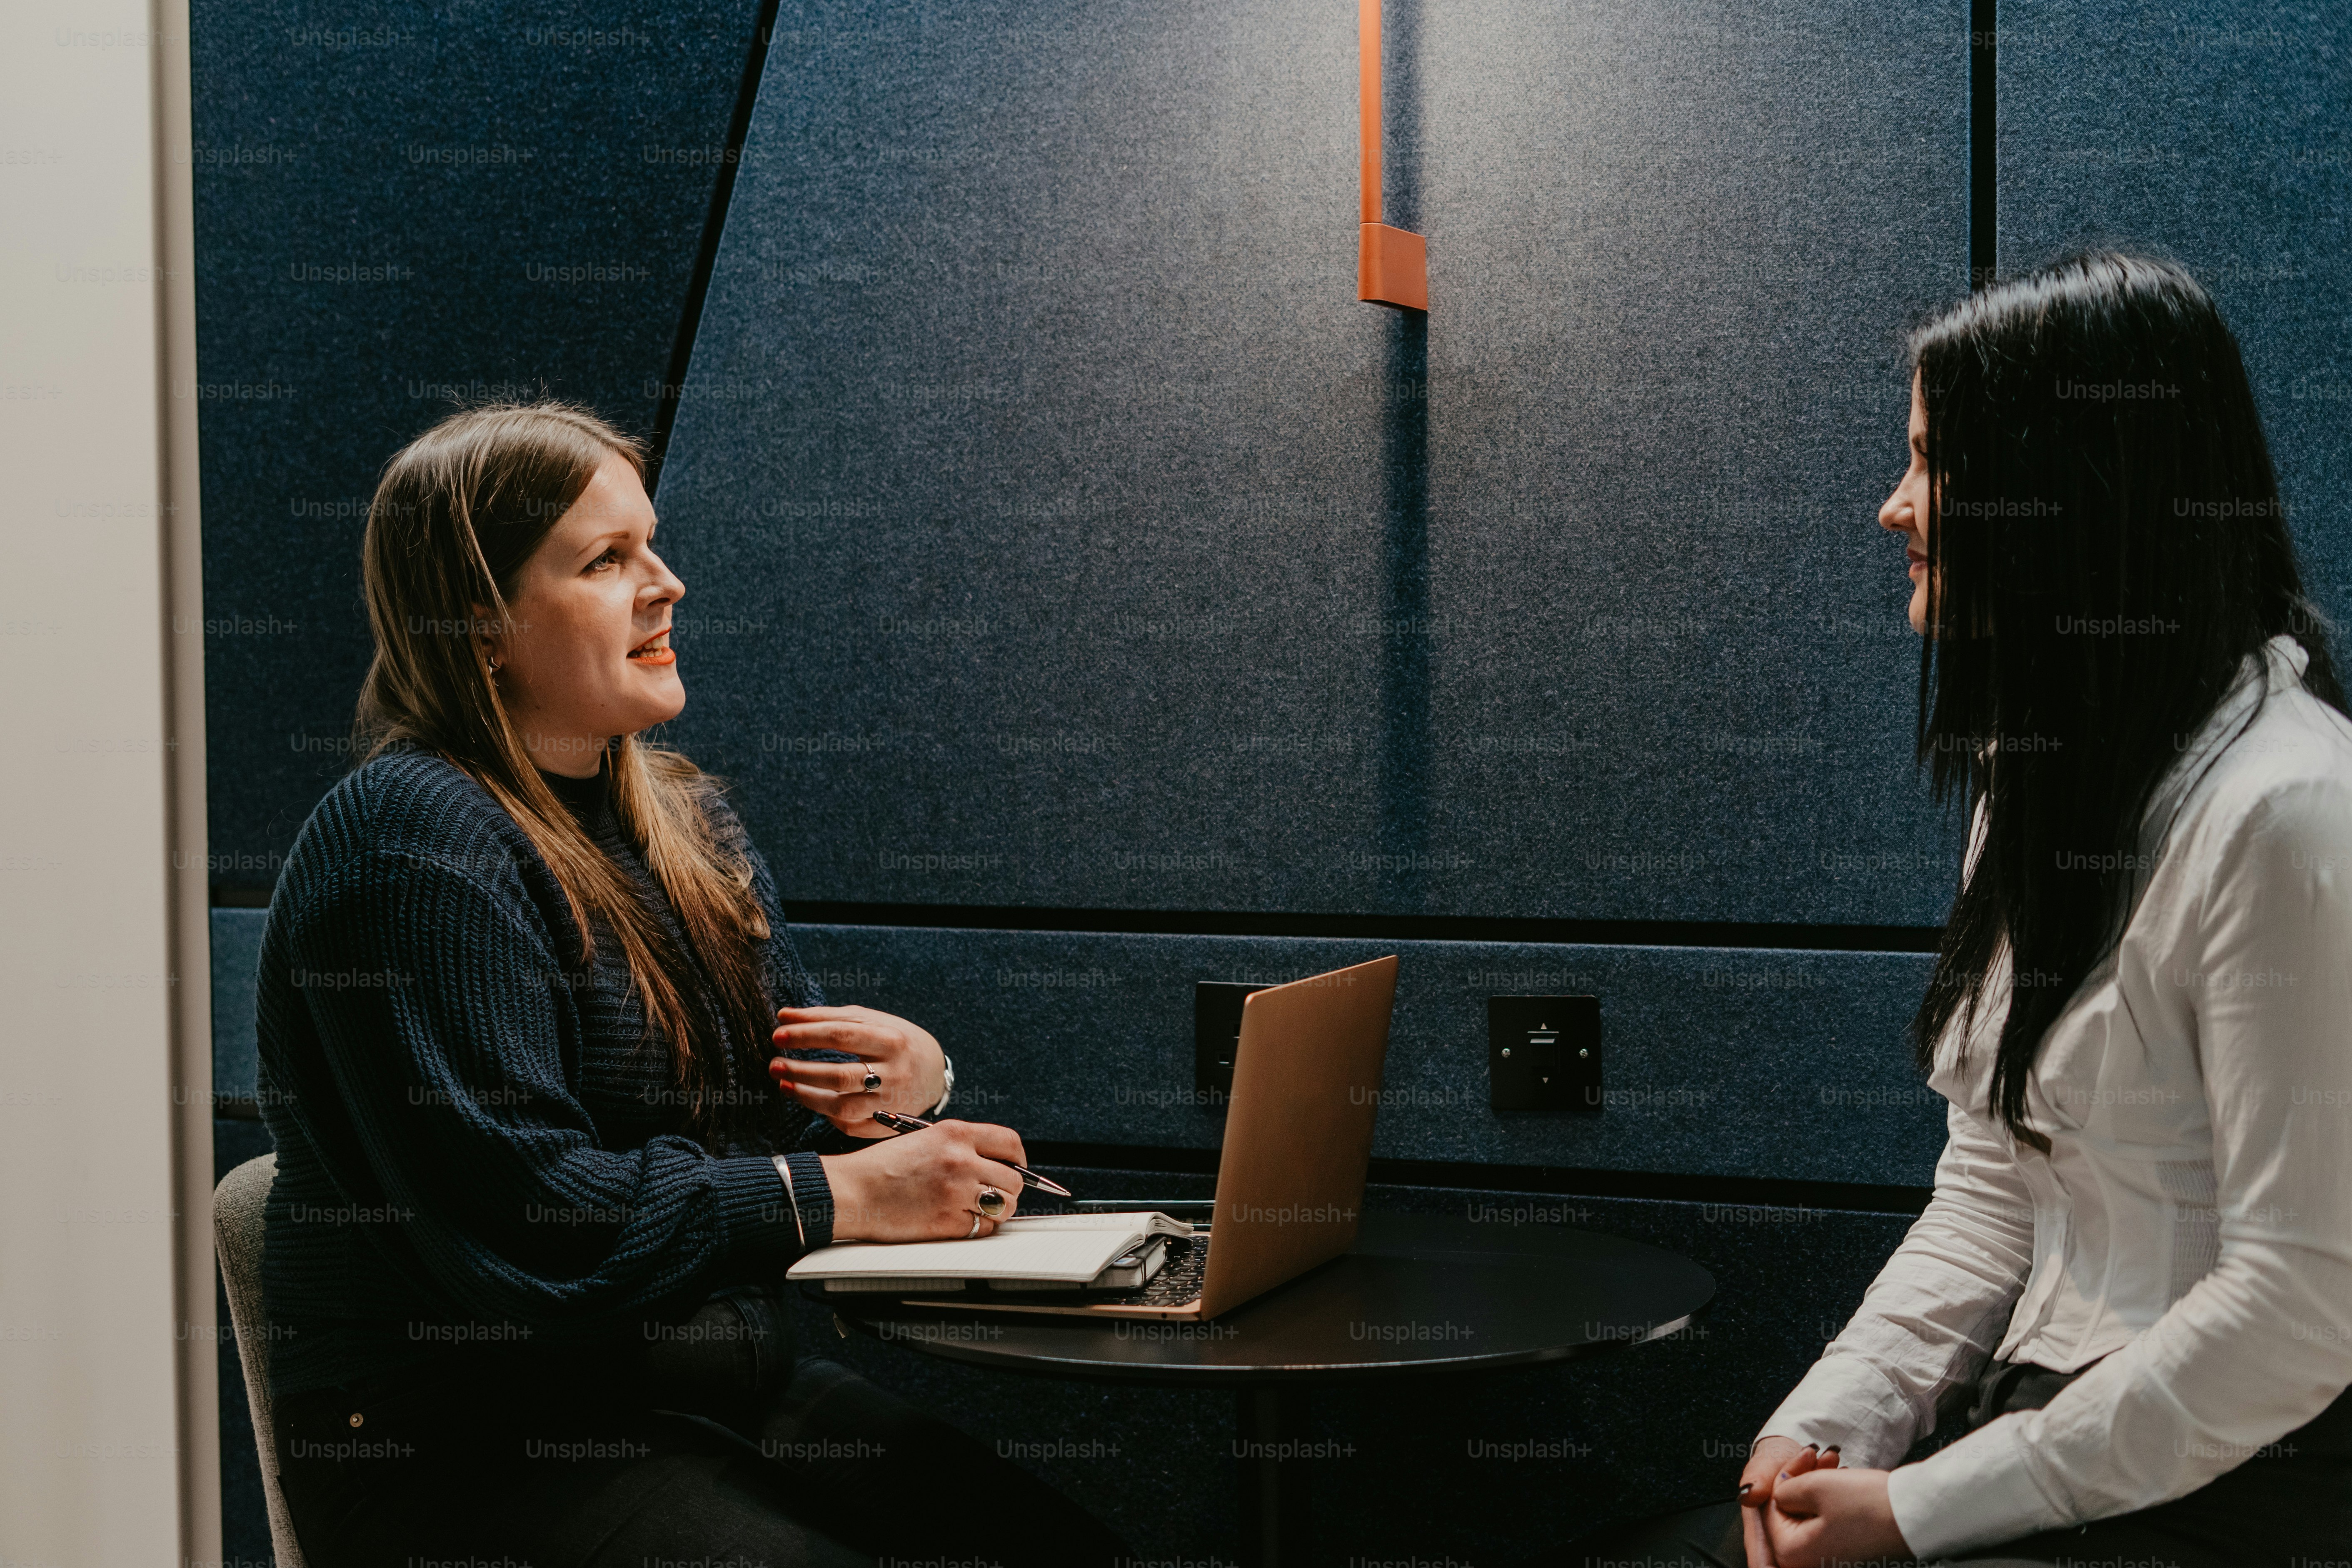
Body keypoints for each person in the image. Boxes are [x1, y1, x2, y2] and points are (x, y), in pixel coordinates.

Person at [1567, 252, 2352, 1566]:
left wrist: (1921, 1509)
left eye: (1932, 462)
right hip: (2051, 1424)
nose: (1893, 507)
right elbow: (1997, 1183)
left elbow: (2300, 1304)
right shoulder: (2049, 778)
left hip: (2238, 1483)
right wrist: (1829, 1422)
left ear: (2071, 498)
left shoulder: (2290, 811)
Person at [254, 402, 1131, 1567]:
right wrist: (839, 1193)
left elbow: (761, 1125)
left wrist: (888, 1090)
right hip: (464, 1444)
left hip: (706, 1392)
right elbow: (538, 1223)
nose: (665, 584)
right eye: (606, 560)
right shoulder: (411, 841)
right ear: (482, 624)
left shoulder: (678, 814)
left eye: (651, 544)